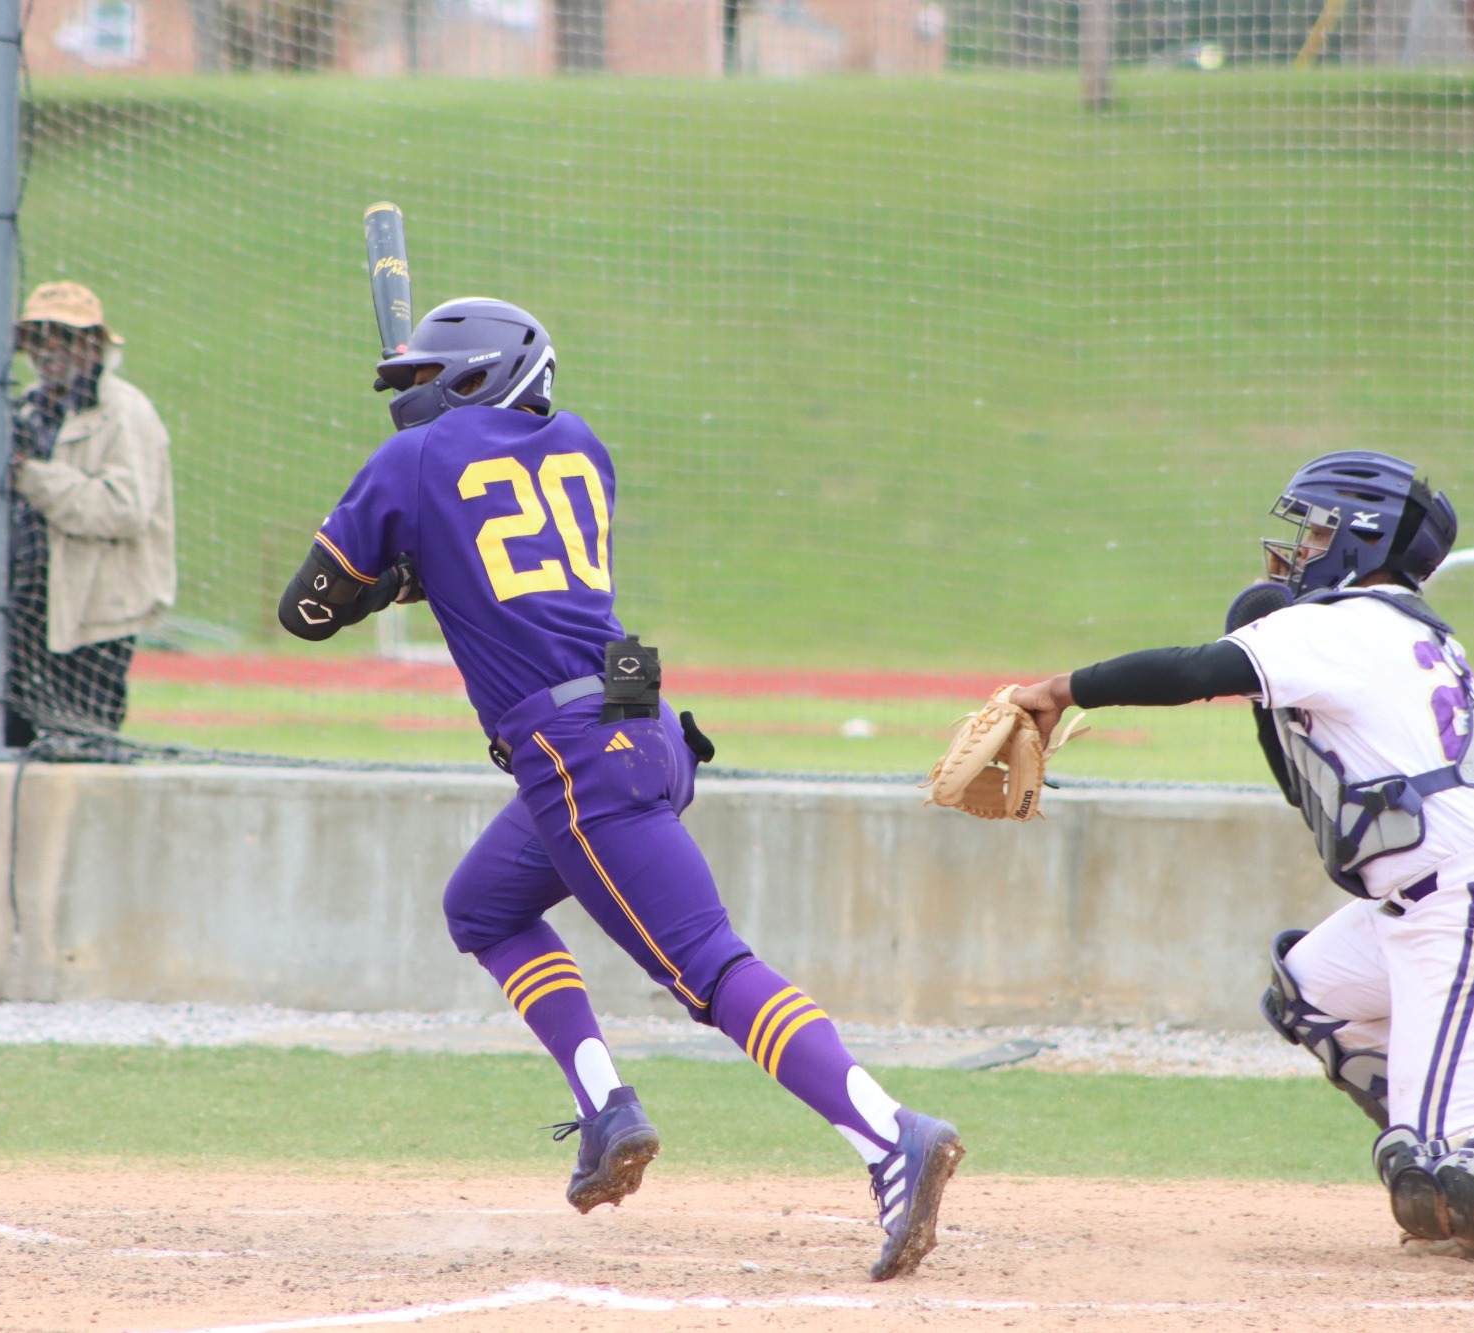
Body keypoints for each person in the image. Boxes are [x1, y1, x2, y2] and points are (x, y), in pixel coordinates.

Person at [276, 297, 963, 1280]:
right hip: (641, 709)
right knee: (482, 906)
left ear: (474, 374)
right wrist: (419, 559)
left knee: (709, 969)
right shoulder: (582, 444)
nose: (413, 391)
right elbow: (510, 568)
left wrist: (388, 570)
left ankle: (890, 1133)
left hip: (571, 751)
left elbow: (305, 612)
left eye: (427, 375)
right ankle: (605, 1106)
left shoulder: (413, 460)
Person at [1005, 450, 1474, 1276]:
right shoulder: (1389, 629)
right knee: (1314, 989)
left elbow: (1194, 670)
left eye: (1317, 530)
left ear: (1361, 540)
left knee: (1458, 1168)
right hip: (1453, 894)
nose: (1296, 549)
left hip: (1472, 900)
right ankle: (1440, 1165)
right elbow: (1341, 787)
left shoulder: (1349, 623)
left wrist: (1061, 689)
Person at [6, 281, 176, 755]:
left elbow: (123, 510)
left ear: (94, 345)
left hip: (95, 618)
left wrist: (31, 477)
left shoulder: (125, 413)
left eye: (65, 335)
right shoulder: (26, 409)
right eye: (38, 335)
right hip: (25, 611)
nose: (49, 348)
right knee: (12, 751)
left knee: (84, 754)